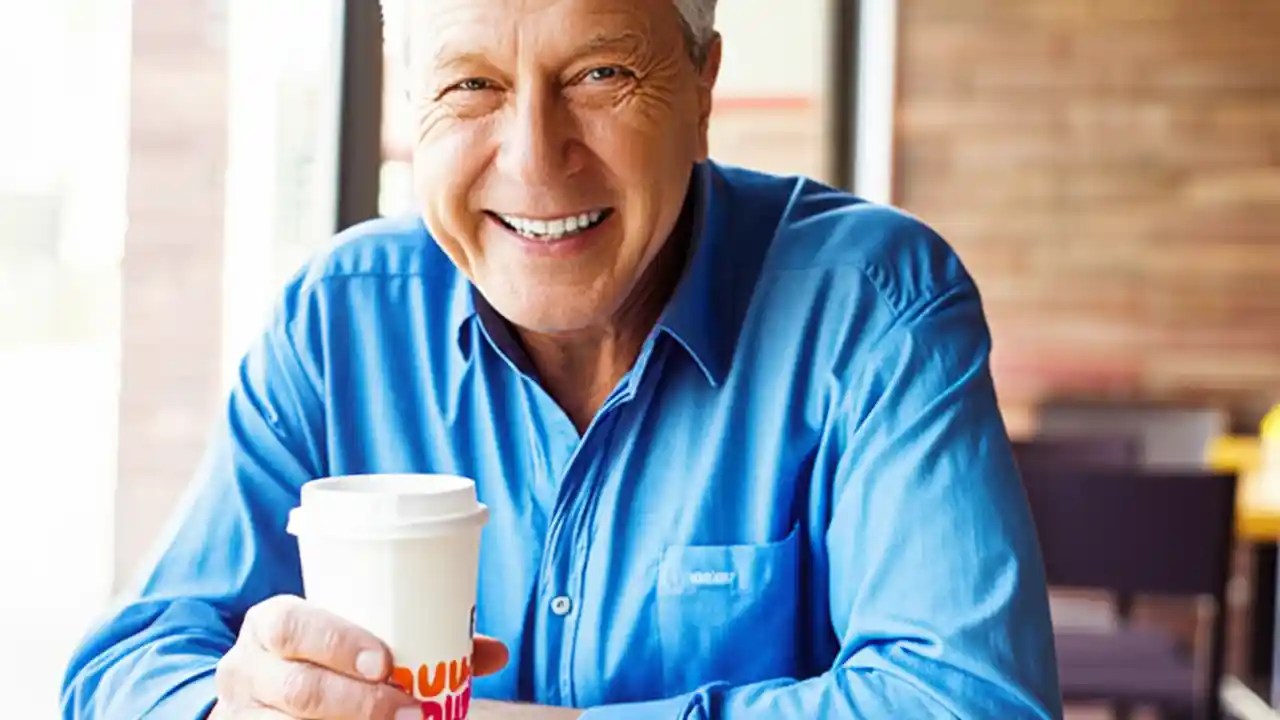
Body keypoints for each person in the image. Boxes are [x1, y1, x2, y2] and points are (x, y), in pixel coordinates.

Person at [62, 0, 1062, 717]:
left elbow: (967, 700)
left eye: (600, 74)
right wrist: (233, 704)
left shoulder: (871, 303)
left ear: (702, 86)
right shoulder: (341, 320)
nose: (535, 159)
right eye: (470, 86)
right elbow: (122, 672)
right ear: (411, 106)